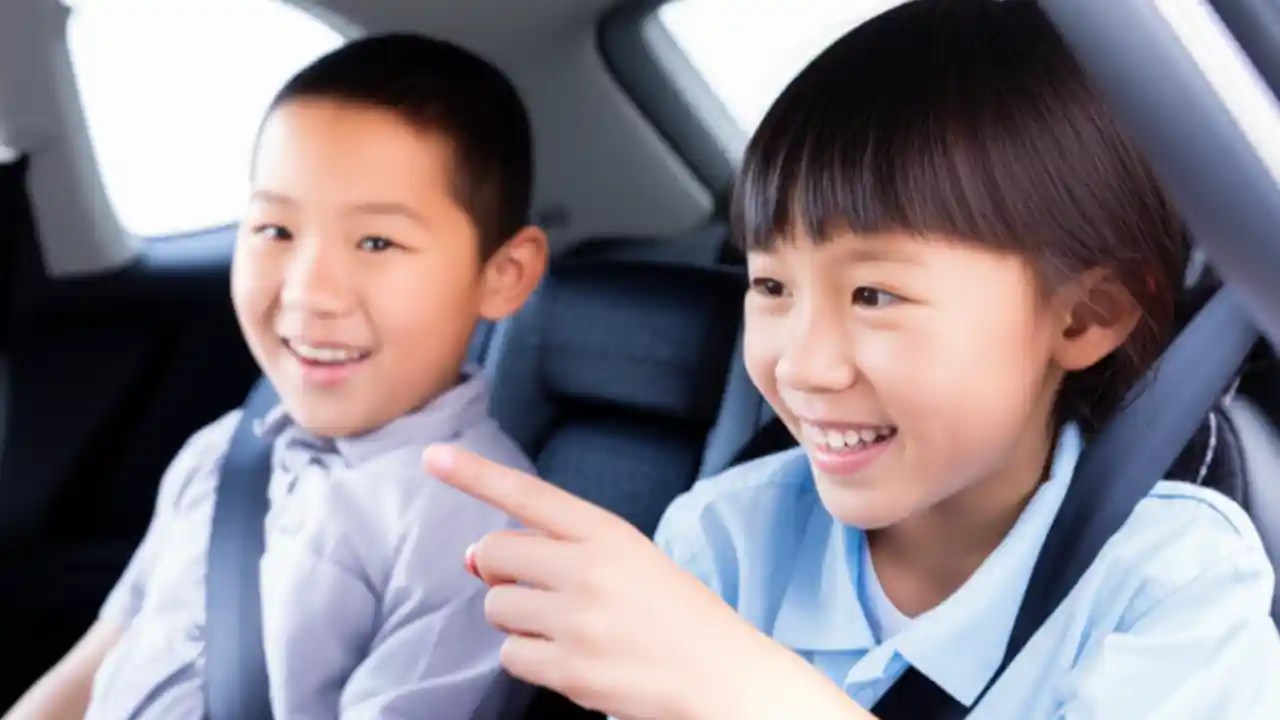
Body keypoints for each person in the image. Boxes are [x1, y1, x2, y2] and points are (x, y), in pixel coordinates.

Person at [426, 2, 1280, 718]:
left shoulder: (1171, 582)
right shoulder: (726, 536)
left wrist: (760, 695)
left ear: (1086, 316)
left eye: (875, 296)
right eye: (770, 286)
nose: (803, 367)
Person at [5, 33, 547, 720]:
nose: (309, 291)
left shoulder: (477, 529)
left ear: (504, 276)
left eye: (376, 242)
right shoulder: (223, 452)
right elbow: (95, 662)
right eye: (275, 230)